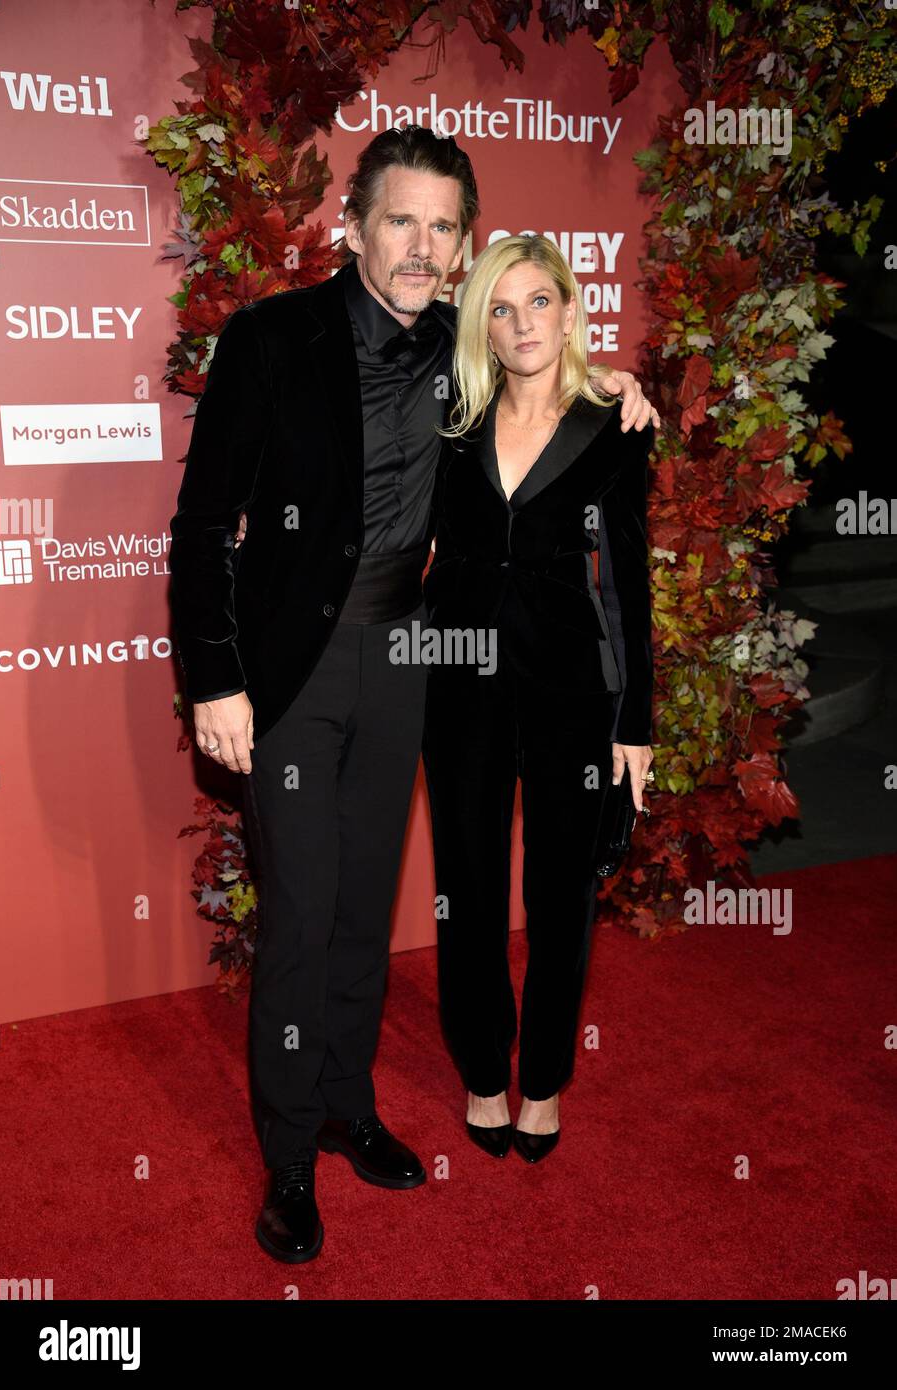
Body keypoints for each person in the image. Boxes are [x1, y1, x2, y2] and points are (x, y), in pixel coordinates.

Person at [168, 126, 658, 1264]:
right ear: (352, 225)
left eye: (443, 227)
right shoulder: (271, 338)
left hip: (407, 662)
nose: (420, 246)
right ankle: (288, 1155)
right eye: (399, 219)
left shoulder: (465, 349)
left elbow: (553, 402)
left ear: (461, 244)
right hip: (290, 665)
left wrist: (616, 387)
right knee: (297, 916)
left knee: (362, 908)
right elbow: (202, 527)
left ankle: (345, 1103)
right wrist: (218, 677)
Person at [421, 233, 656, 1164]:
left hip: (570, 688)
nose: (522, 323)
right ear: (482, 320)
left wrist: (632, 721)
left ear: (568, 306)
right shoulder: (454, 417)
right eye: (501, 307)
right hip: (460, 682)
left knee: (561, 897)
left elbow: (628, 584)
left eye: (538, 302)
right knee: (468, 886)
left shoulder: (612, 422)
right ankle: (483, 1067)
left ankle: (546, 1078)